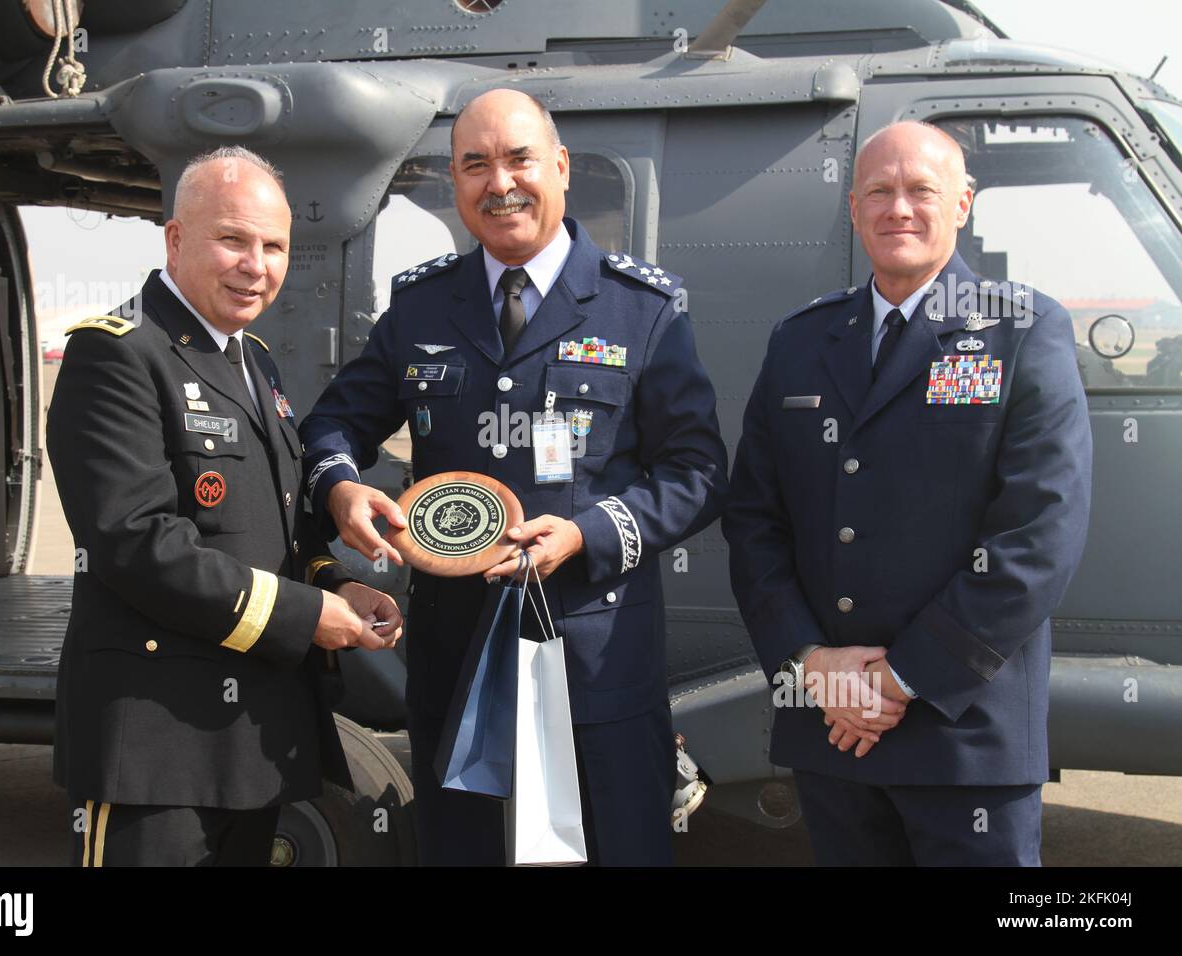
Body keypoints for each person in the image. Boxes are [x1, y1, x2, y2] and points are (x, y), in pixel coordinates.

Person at [299, 89, 727, 865]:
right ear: (454, 184)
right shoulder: (421, 307)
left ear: (559, 167)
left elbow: (697, 472)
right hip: (454, 656)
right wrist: (341, 487)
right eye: (475, 165)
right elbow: (331, 426)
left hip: (595, 657)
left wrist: (586, 533)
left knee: (616, 847)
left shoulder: (643, 309)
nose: (500, 183)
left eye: (520, 158)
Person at [722, 121, 1092, 865]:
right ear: (854, 208)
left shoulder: (1023, 330)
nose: (900, 209)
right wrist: (811, 664)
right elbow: (755, 520)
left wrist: (898, 677)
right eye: (881, 192)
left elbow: (1039, 532)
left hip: (963, 732)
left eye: (922, 190)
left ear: (963, 203)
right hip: (831, 728)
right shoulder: (802, 340)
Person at [47, 146, 402, 866]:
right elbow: (137, 545)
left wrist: (338, 584)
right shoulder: (117, 354)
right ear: (176, 239)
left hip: (254, 736)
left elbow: (274, 522)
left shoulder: (253, 360)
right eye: (233, 239)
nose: (256, 264)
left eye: (274, 246)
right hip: (158, 741)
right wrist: (310, 618)